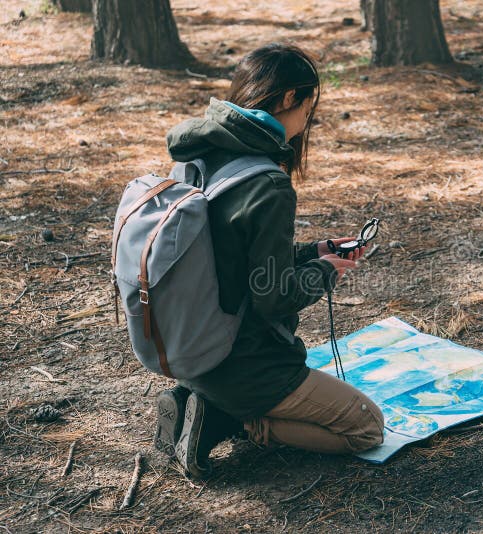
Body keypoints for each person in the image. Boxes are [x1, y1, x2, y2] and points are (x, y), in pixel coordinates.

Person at [152, 44, 384, 478]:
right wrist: (328, 270)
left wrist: (312, 252)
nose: (305, 124)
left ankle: (202, 401)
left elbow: (233, 259)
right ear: (288, 100)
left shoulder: (198, 155)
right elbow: (274, 299)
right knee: (366, 427)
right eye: (308, 109)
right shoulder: (268, 184)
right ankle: (232, 420)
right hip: (248, 365)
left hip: (196, 349)